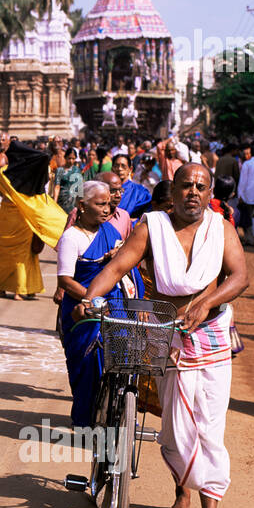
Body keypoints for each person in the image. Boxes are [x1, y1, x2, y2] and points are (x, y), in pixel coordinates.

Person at [78, 163, 248, 508]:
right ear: (173, 194)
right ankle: (183, 487)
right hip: (165, 331)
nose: (193, 192)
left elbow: (240, 276)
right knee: (177, 426)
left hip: (213, 334)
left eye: (201, 187)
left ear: (210, 192)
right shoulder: (151, 227)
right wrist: (90, 298)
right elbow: (119, 265)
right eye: (186, 185)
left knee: (210, 425)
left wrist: (208, 303)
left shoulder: (221, 228)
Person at [57, 181, 144, 427]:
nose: (108, 209)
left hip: (114, 305)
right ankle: (85, 417)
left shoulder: (111, 233)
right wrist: (93, 299)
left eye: (109, 204)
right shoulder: (71, 237)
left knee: (125, 353)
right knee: (87, 364)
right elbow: (65, 280)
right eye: (100, 204)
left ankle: (120, 412)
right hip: (84, 312)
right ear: (82, 206)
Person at [0, 142, 67, 301]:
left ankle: (5, 288)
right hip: (24, 218)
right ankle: (26, 290)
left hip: (7, 216)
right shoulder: (29, 174)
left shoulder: (2, 174)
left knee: (6, 255)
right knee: (25, 255)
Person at [111, 152, 151, 219]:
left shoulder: (140, 192)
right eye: (116, 166)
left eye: (123, 166)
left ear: (130, 169)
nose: (119, 169)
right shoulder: (105, 189)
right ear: (112, 169)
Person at [52, 148, 84, 215]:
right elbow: (57, 187)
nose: (71, 161)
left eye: (73, 158)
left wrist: (81, 204)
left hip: (73, 201)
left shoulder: (77, 170)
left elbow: (80, 189)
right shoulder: (60, 170)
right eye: (69, 158)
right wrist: (54, 202)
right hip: (62, 200)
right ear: (65, 158)